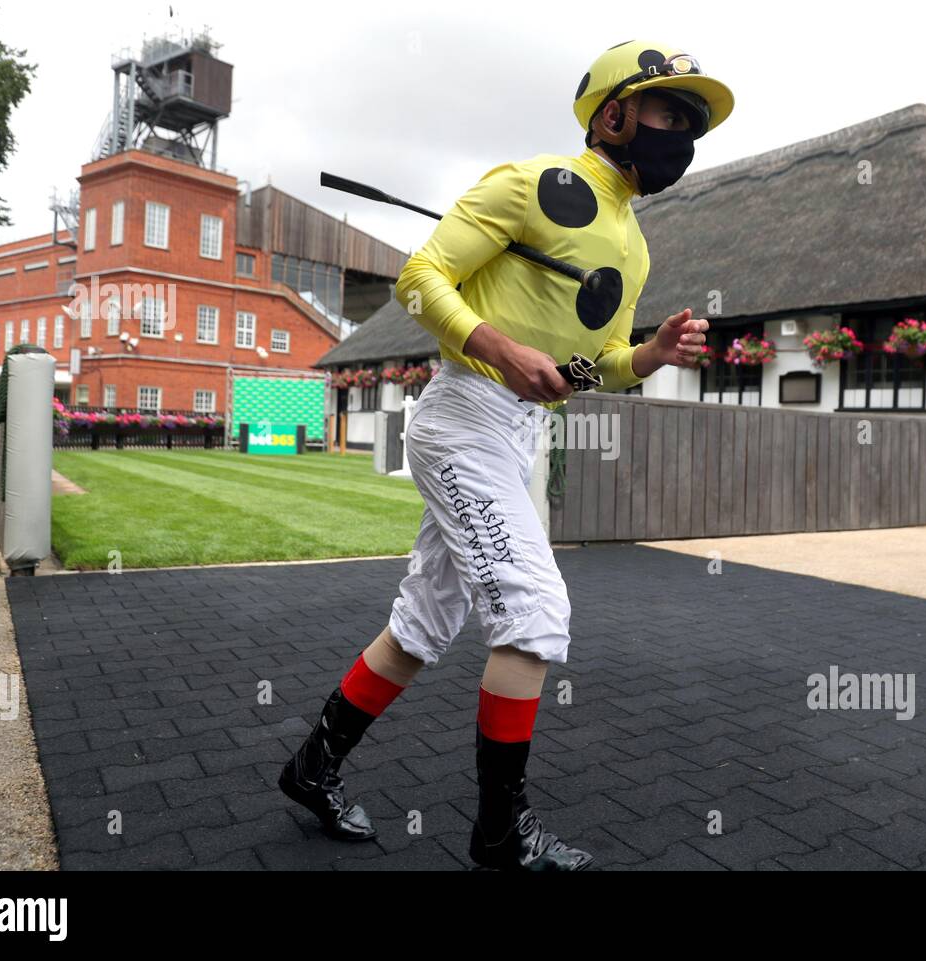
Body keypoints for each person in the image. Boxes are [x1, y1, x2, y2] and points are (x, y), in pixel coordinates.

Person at [279, 40, 734, 870]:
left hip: (518, 432)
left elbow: (577, 370)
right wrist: (498, 346)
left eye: (692, 121)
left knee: (425, 622)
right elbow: (419, 278)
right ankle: (498, 835)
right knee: (533, 610)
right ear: (614, 114)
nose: (684, 132)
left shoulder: (633, 246)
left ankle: (312, 766)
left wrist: (647, 355)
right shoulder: (525, 184)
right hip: (461, 417)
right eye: (671, 112)